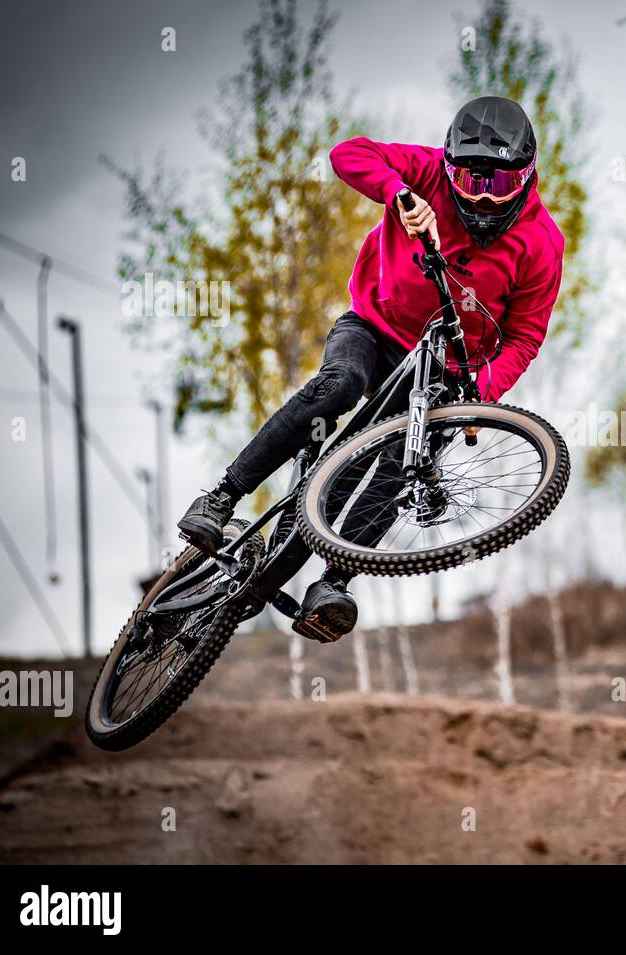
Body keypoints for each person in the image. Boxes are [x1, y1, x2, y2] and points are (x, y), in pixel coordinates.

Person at [175, 96, 565, 641]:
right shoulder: (425, 172)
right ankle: (221, 498)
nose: (480, 194)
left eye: (498, 184)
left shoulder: (542, 244)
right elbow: (347, 154)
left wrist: (483, 395)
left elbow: (524, 337)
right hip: (372, 328)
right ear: (448, 167)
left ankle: (334, 581)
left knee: (403, 459)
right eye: (470, 179)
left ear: (525, 178)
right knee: (342, 385)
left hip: (441, 374)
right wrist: (399, 194)